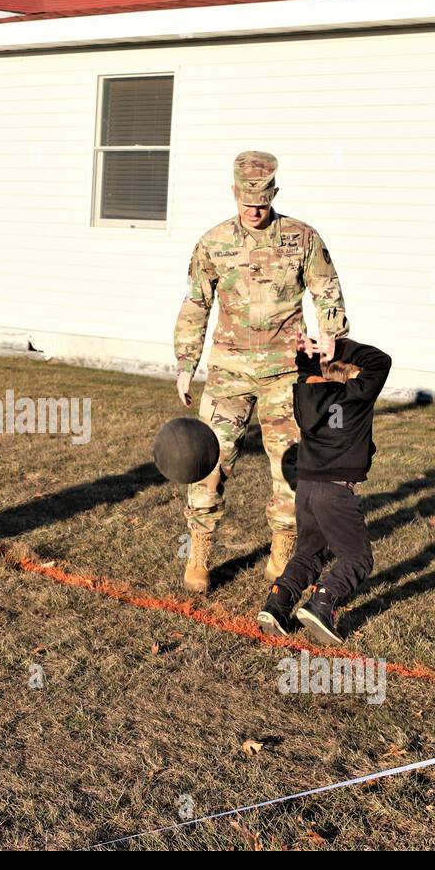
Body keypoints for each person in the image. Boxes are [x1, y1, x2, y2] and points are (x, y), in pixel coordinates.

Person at [174, 150, 349, 592]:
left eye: (263, 201)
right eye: (247, 201)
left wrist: (331, 341)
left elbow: (328, 292)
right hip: (227, 375)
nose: (255, 210)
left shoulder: (301, 238)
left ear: (274, 193)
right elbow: (196, 304)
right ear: (234, 192)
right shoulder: (213, 243)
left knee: (290, 468)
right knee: (208, 465)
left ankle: (281, 553)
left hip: (284, 375)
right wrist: (184, 364)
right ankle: (199, 554)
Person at [257, 335, 392, 645]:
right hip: (336, 492)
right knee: (357, 558)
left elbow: (306, 373)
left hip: (306, 489)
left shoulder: (306, 395)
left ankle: (277, 602)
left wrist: (307, 354)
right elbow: (381, 361)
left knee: (308, 553)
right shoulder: (356, 398)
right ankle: (322, 603)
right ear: (352, 376)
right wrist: (340, 346)